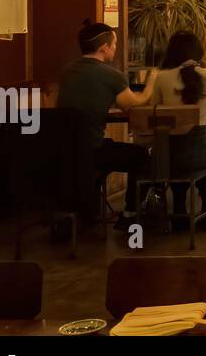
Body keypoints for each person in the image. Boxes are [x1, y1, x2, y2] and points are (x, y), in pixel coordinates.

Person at [57, 19, 159, 222]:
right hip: (93, 151)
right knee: (142, 157)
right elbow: (133, 104)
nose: (115, 49)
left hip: (63, 151)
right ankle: (131, 212)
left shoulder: (67, 72)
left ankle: (81, 213)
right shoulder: (111, 75)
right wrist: (151, 81)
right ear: (104, 48)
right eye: (113, 45)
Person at [146, 31, 206, 215]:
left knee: (179, 162)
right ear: (199, 52)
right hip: (202, 151)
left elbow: (154, 107)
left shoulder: (162, 78)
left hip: (169, 154)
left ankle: (179, 213)